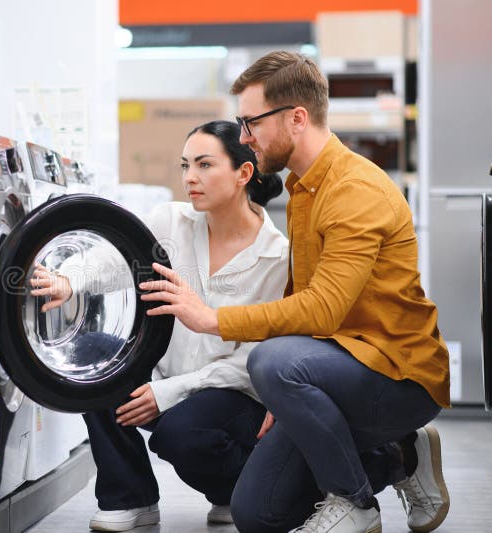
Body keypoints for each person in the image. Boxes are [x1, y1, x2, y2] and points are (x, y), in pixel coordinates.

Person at [140, 51, 450, 533]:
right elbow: (301, 305)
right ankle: (401, 456)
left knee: (274, 361)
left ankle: (356, 505)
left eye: (250, 122)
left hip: (395, 375)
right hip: (336, 370)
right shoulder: (303, 189)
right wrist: (277, 398)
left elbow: (322, 311)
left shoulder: (354, 190)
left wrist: (212, 319)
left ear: (296, 119)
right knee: (256, 515)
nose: (243, 137)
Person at [29, 120, 288, 531]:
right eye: (185, 166)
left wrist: (166, 393)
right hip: (165, 379)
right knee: (86, 352)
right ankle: (130, 498)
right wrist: (69, 280)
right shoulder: (171, 221)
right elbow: (114, 260)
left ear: (243, 173)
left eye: (204, 165)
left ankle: (235, 488)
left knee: (178, 434)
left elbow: (250, 362)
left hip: (233, 396)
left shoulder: (277, 257)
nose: (190, 179)